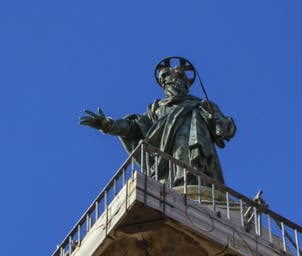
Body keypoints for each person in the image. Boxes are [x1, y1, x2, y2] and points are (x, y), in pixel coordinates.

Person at [80, 56, 236, 184]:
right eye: (164, 80)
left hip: (201, 159)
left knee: (197, 175)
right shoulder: (156, 109)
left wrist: (214, 117)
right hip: (166, 162)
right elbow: (133, 127)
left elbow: (226, 129)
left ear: (183, 80)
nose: (167, 82)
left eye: (171, 77)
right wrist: (109, 125)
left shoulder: (200, 106)